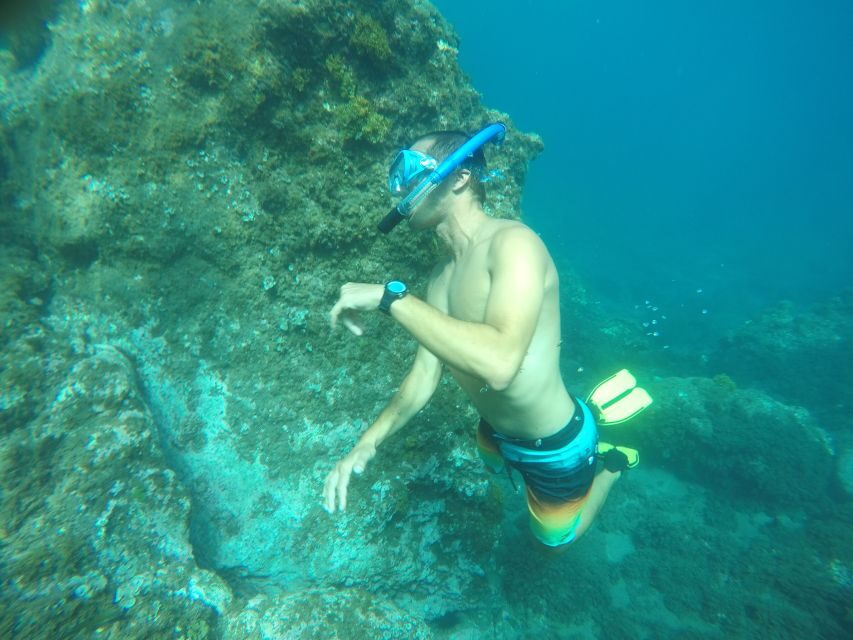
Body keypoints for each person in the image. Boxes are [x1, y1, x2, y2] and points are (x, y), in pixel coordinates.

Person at [325, 126, 634, 548]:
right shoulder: (439, 280)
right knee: (494, 469)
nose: (398, 189)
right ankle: (585, 425)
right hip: (494, 432)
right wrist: (366, 442)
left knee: (554, 538)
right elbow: (422, 377)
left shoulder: (515, 245)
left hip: (555, 447)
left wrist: (389, 298)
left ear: (459, 177)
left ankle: (612, 463)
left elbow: (500, 365)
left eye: (410, 170)